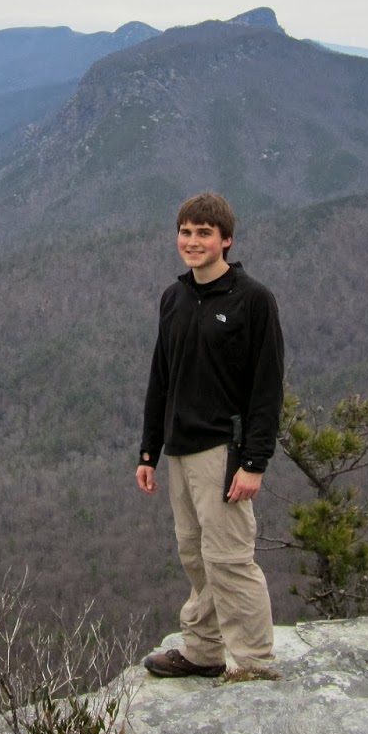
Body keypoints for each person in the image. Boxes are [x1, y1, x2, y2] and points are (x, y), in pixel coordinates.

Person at [136, 192, 285, 678]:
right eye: (186, 232)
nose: (193, 241)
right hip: (179, 449)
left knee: (230, 560)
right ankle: (203, 651)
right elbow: (162, 378)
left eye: (204, 233)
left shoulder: (253, 300)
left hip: (223, 450)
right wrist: (149, 451)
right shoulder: (174, 298)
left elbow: (267, 387)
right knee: (194, 555)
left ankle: (254, 663)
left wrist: (254, 462)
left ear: (226, 240)